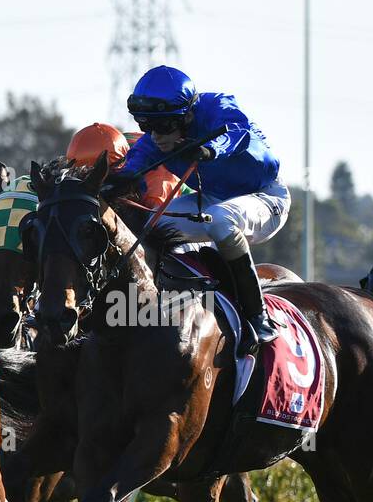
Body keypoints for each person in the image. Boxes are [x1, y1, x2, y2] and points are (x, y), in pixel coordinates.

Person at [116, 66, 289, 354]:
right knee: (149, 225)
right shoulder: (155, 141)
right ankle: (152, 308)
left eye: (165, 126)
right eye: (148, 126)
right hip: (212, 197)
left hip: (265, 197)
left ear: (187, 116)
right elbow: (131, 168)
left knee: (221, 220)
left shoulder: (218, 105)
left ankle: (257, 316)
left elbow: (237, 133)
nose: (156, 137)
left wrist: (210, 149)